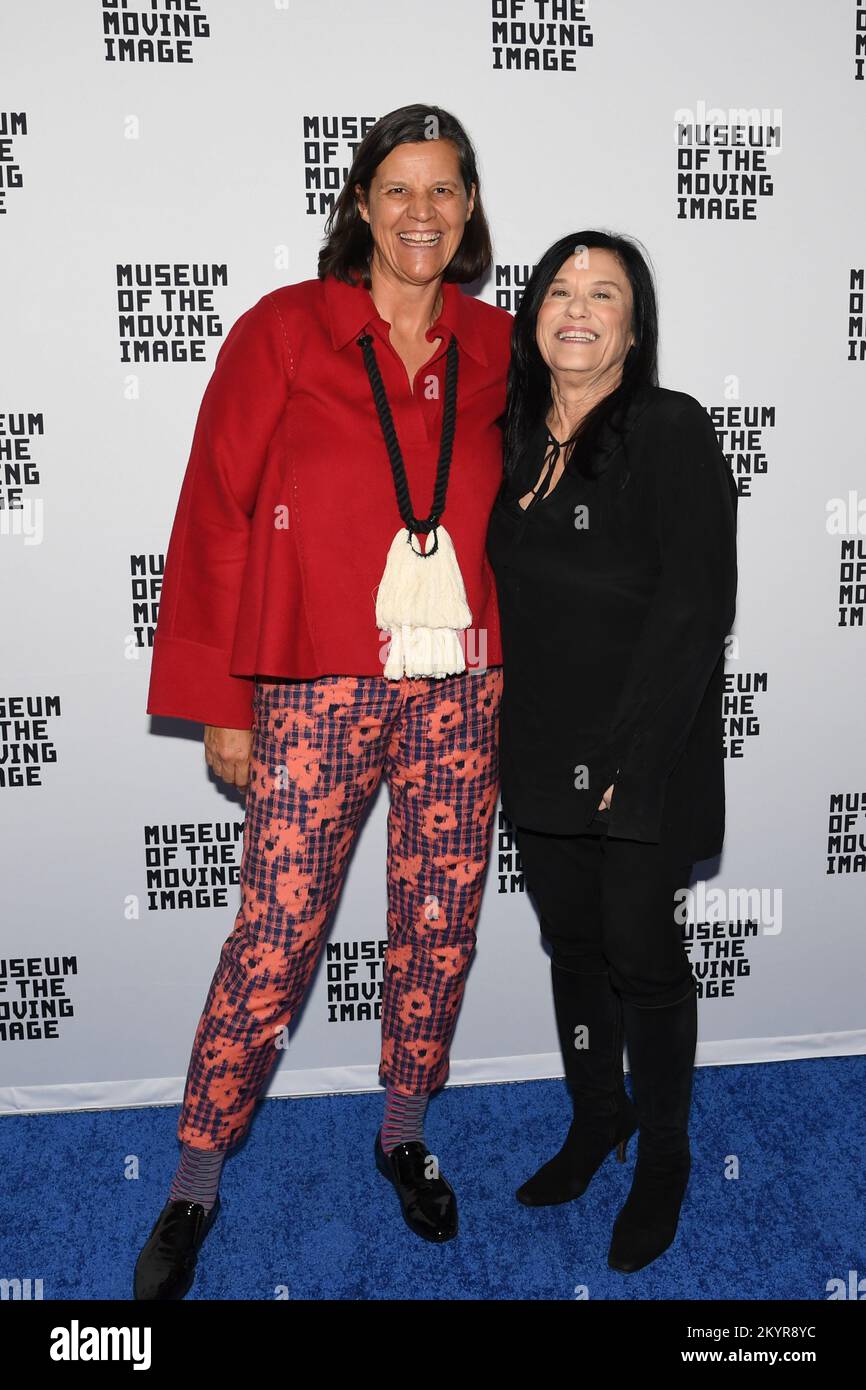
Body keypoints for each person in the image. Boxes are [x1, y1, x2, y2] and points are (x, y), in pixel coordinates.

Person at [135, 104, 512, 1299]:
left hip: (462, 679)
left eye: (442, 190)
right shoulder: (285, 330)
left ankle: (402, 1128)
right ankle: (195, 1174)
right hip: (310, 682)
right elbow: (214, 517)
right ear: (359, 203)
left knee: (439, 917)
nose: (419, 213)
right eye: (397, 189)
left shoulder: (502, 342)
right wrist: (221, 701)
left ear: (467, 209)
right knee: (278, 930)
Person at [486, 230, 738, 1273]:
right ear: (533, 313)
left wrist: (628, 766)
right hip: (538, 751)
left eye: (604, 294)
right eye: (559, 289)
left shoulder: (668, 429)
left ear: (633, 329)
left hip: (645, 756)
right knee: (574, 951)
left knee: (641, 957)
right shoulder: (506, 439)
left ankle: (665, 1153)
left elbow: (695, 608)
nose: (577, 308)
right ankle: (599, 1115)